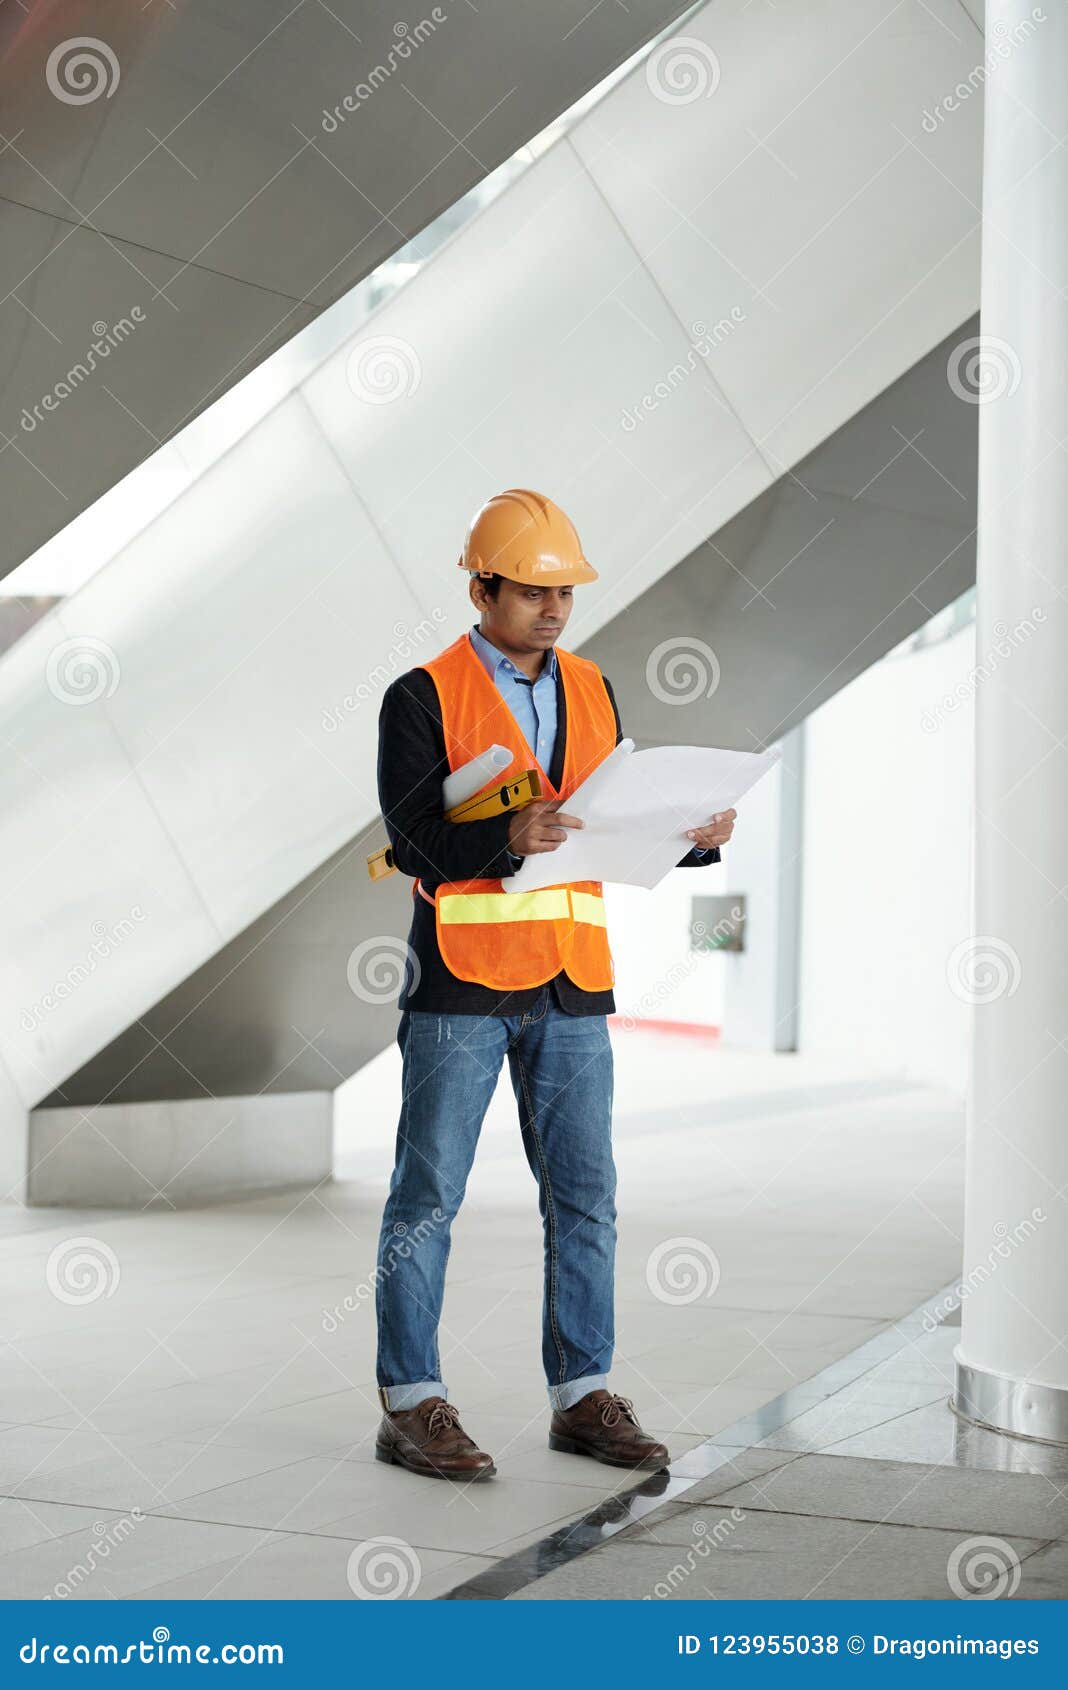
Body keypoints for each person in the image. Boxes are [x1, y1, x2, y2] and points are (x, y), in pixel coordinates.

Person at [372, 488, 736, 1481]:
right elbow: (412, 837)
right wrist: (502, 835)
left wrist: (692, 841)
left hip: (573, 981)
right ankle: (411, 1401)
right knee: (428, 1195)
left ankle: (583, 1396)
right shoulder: (423, 694)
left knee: (587, 1197)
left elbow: (611, 824)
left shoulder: (592, 687)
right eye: (531, 589)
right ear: (481, 585)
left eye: (562, 590)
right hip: (462, 982)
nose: (551, 607)